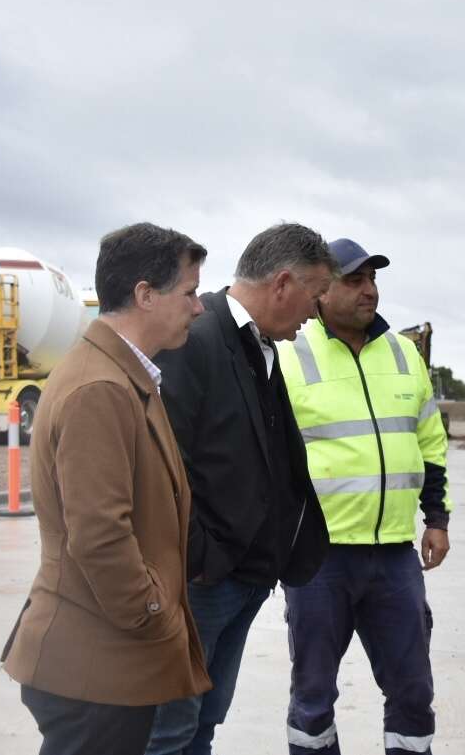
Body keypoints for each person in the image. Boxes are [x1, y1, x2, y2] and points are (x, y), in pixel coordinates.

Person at [1, 222, 211, 755]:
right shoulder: (102, 387)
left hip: (103, 662)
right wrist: (152, 612)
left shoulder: (122, 375)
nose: (199, 307)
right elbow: (98, 534)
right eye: (189, 293)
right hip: (95, 669)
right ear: (145, 295)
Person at [144, 223, 336, 755]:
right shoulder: (197, 338)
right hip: (206, 582)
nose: (314, 314)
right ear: (281, 284)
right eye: (315, 297)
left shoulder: (263, 348)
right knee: (169, 731)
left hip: (245, 579)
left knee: (204, 720)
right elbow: (163, 463)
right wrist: (201, 558)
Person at [277, 238, 451, 755]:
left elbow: (430, 443)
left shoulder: (403, 353)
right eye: (355, 280)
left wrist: (436, 518)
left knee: (413, 692)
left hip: (394, 555)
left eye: (373, 280)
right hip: (318, 559)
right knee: (312, 697)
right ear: (323, 288)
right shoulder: (290, 354)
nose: (368, 291)